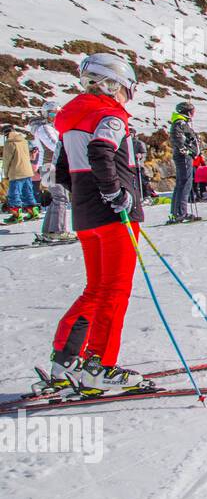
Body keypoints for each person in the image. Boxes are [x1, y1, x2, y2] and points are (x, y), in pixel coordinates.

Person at [47, 53, 149, 394]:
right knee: (114, 292)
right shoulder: (110, 115)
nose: (126, 98)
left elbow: (62, 171)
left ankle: (66, 357)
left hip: (87, 215)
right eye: (125, 90)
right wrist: (115, 192)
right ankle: (100, 366)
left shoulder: (72, 119)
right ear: (111, 84)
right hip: (114, 215)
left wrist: (89, 196)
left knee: (97, 289)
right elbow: (101, 152)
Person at [29, 101, 75, 243]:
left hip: (49, 167)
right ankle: (58, 230)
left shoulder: (49, 127)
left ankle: (50, 230)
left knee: (57, 197)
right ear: (45, 114)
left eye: (57, 113)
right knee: (61, 197)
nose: (55, 116)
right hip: (49, 167)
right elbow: (55, 145)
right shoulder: (44, 128)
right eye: (52, 113)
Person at [167, 101, 200, 223]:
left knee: (182, 183)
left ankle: (177, 212)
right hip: (184, 157)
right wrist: (185, 150)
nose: (193, 114)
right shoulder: (180, 123)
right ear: (187, 112)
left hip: (185, 156)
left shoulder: (181, 122)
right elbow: (177, 137)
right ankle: (181, 212)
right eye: (192, 112)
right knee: (185, 184)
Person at [2, 125, 40, 223]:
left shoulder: (9, 142)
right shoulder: (23, 140)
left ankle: (16, 215)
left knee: (14, 193)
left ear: (6, 133)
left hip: (16, 172)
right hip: (27, 171)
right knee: (28, 192)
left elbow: (7, 160)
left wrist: (6, 174)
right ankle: (33, 212)